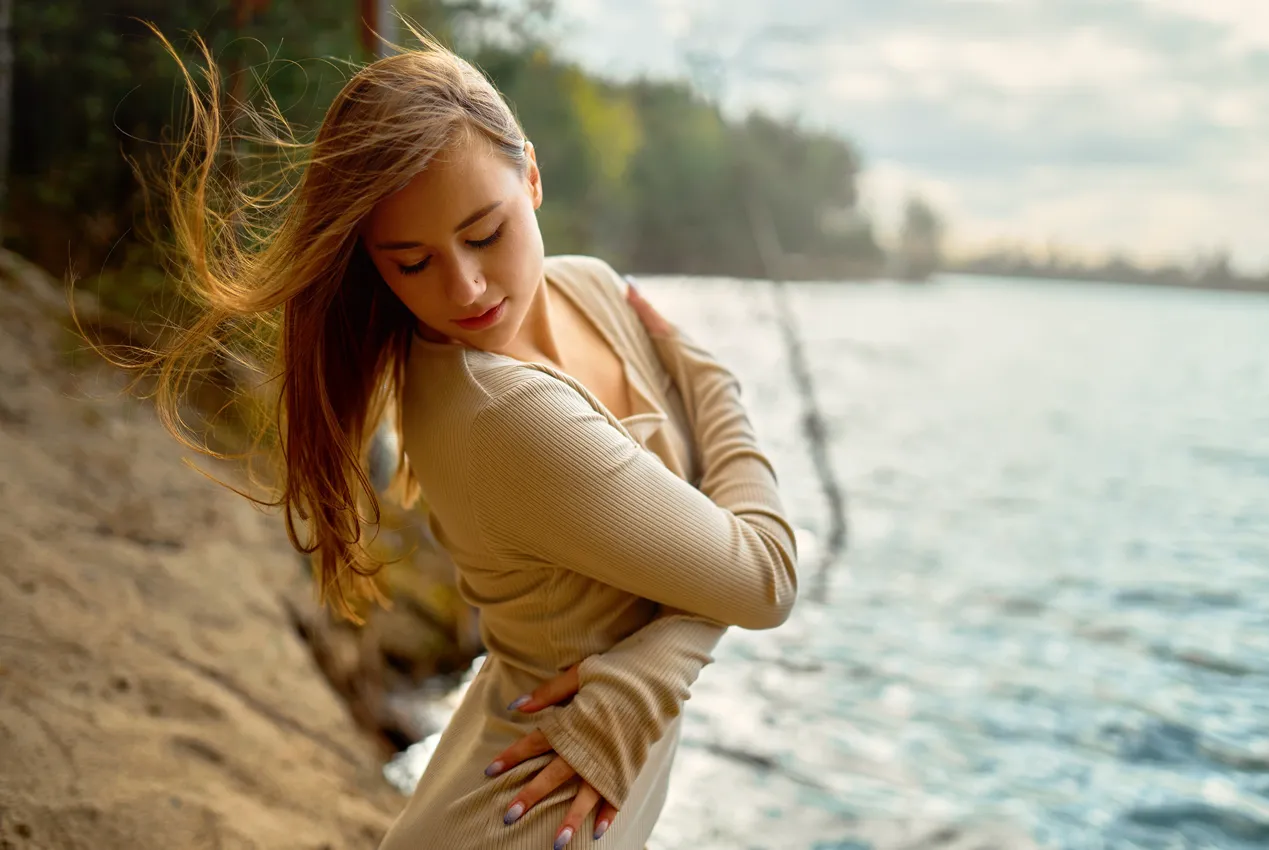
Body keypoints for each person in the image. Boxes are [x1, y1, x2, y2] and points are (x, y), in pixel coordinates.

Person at [140, 23, 798, 850]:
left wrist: (648, 671)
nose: (466, 286)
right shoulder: (500, 415)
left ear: (531, 175)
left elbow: (728, 569)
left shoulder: (589, 289)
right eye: (411, 263)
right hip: (525, 819)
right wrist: (711, 376)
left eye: (485, 233)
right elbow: (764, 576)